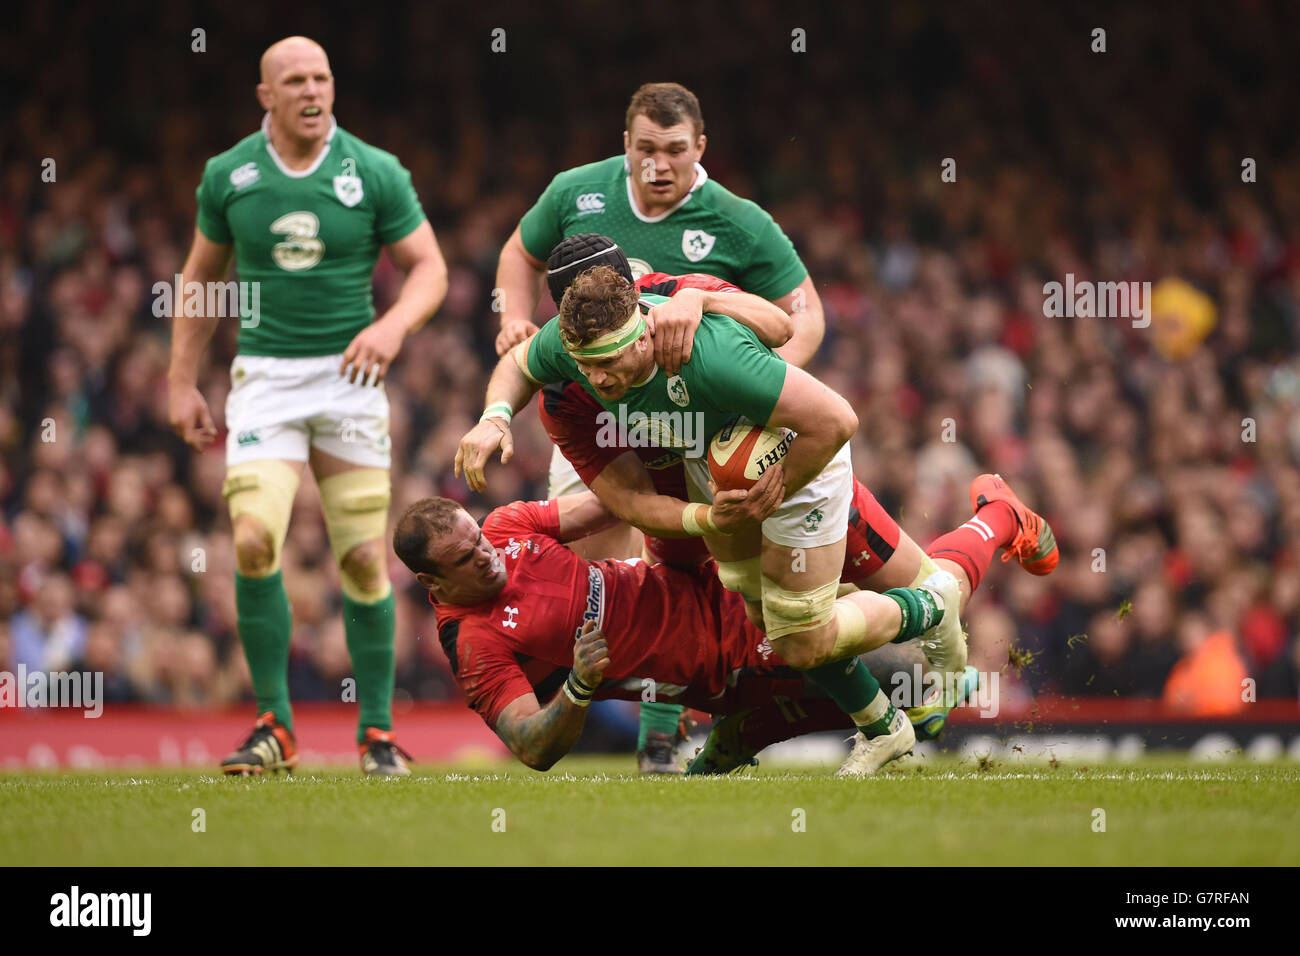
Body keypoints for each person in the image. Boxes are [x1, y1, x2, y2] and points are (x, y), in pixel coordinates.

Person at [458, 265, 975, 771]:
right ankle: (884, 728)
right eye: (583, 363)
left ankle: (931, 601)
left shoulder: (707, 353)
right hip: (718, 470)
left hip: (799, 459)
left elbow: (837, 418)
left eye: (607, 361)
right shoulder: (575, 345)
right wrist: (493, 420)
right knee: (762, 616)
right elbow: (519, 364)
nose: (595, 377)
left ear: (642, 336)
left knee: (799, 640)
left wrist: (769, 491)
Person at [493, 83, 826, 771]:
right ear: (625, 146)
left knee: (703, 567)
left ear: (700, 148)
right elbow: (519, 253)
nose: (658, 165)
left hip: (699, 420)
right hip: (600, 414)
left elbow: (805, 314)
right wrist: (512, 317)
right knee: (601, 554)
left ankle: (666, 733)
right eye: (645, 149)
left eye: (674, 150)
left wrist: (765, 391)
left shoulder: (739, 222)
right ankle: (569, 711)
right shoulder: (575, 192)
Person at [166, 36, 448, 776]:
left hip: (349, 381)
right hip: (267, 377)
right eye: (294, 81)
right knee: (255, 540)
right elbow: (200, 280)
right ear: (266, 96)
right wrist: (180, 379)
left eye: (322, 77)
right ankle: (274, 725)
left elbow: (430, 269)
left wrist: (390, 326)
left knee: (361, 559)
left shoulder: (374, 171)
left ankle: (379, 734)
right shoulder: (230, 175)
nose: (312, 91)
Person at [392, 473, 1052, 774]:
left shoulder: (507, 527)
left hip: (717, 594)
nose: (487, 554)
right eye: (466, 558)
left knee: (902, 681)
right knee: (911, 695)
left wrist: (697, 486)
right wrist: (578, 688)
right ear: (433, 582)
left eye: (478, 537)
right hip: (714, 667)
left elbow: (609, 505)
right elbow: (532, 748)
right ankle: (990, 527)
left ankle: (994, 524)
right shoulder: (475, 643)